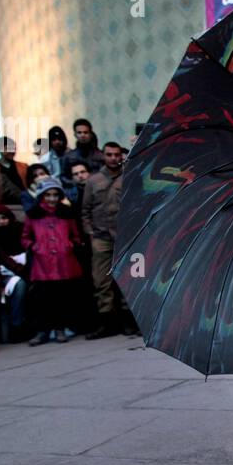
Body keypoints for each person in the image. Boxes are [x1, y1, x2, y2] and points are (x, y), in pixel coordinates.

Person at [23, 178, 85, 345]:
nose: (52, 199)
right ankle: (42, 331)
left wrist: (69, 245)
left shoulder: (66, 213)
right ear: (42, 196)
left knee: (61, 297)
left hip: (64, 261)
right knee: (42, 298)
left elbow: (76, 235)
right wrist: (35, 246)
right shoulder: (33, 214)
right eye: (48, 195)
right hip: (42, 262)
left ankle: (60, 329)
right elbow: (25, 237)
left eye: (55, 195)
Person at [83, 142, 135, 338]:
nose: (113, 158)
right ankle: (106, 324)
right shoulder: (93, 181)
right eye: (109, 154)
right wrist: (91, 233)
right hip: (101, 238)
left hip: (125, 238)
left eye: (116, 154)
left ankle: (129, 323)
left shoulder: (129, 177)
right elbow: (85, 211)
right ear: (103, 156)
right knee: (101, 282)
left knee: (129, 280)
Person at [0, 204, 29, 342]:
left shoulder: (20, 229)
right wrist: (20, 270)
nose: (1, 222)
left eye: (3, 218)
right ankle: (17, 325)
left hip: (28, 267)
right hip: (7, 274)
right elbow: (0, 257)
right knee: (20, 286)